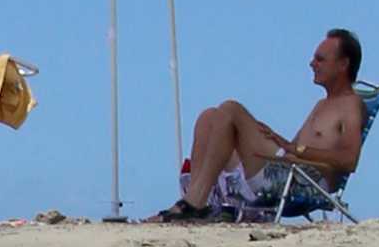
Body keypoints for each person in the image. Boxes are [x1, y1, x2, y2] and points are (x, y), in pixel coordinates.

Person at [154, 29, 366, 222]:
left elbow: (349, 161)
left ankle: (194, 204)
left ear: (343, 64)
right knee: (209, 117)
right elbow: (295, 150)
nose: (312, 64)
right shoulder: (323, 104)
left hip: (304, 185)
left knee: (231, 109)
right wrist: (273, 140)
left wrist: (295, 149)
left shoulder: (351, 104)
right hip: (289, 171)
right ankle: (196, 198)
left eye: (320, 59)